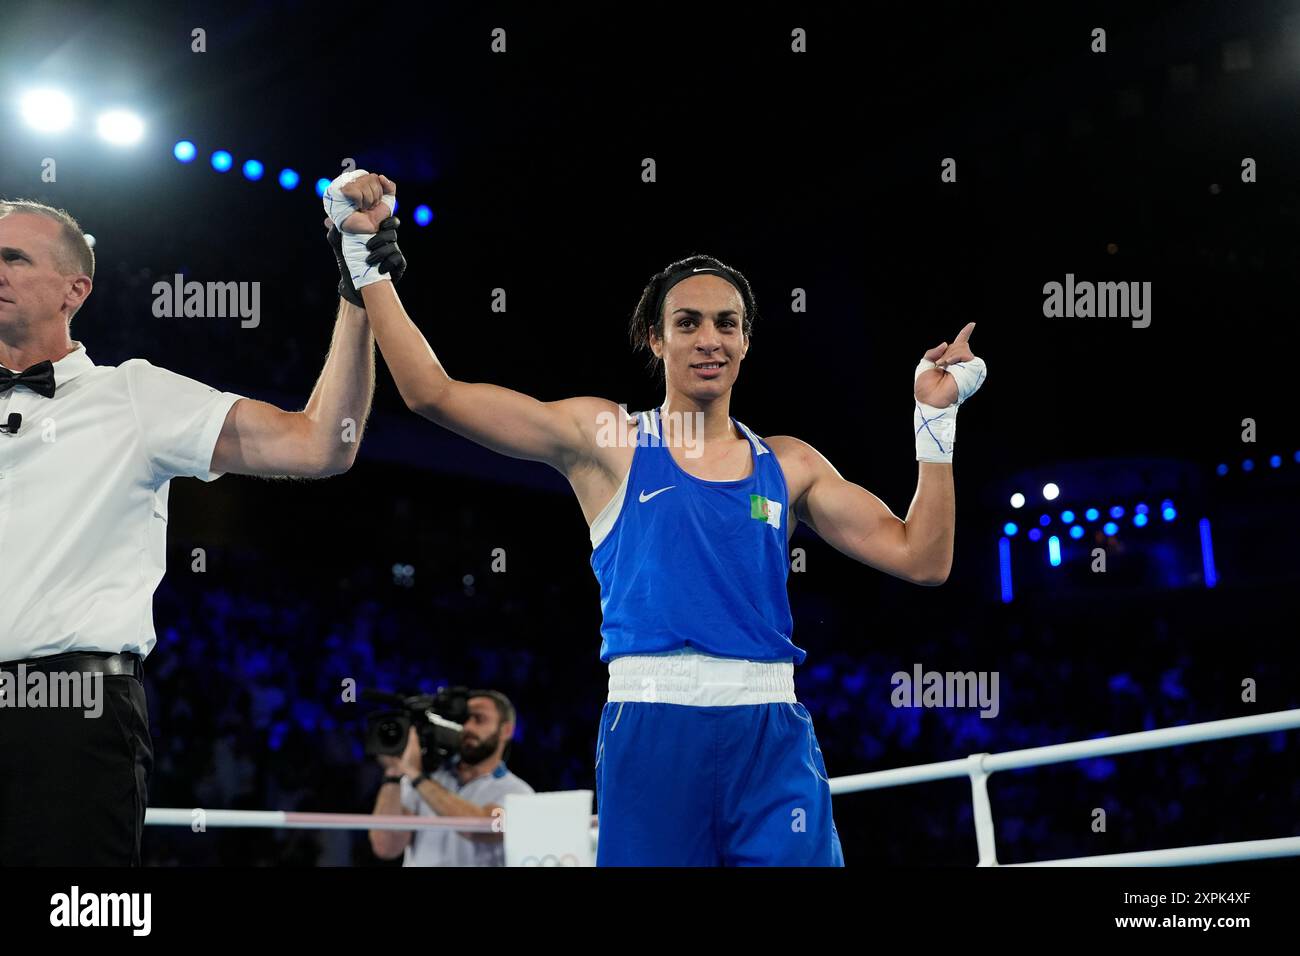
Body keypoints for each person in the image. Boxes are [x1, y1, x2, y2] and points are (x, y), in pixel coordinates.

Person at [330, 196, 986, 864]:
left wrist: (934, 421)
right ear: (656, 338)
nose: (710, 338)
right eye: (689, 322)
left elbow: (924, 558)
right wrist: (368, 268)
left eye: (727, 324)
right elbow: (431, 394)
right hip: (651, 723)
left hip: (772, 731)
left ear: (747, 340)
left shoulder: (790, 465)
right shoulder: (606, 437)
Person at [0, 178, 401, 865]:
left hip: (66, 718)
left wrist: (356, 286)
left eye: (13, 258)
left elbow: (320, 445)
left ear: (74, 291)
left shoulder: (131, 394)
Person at [369, 690, 535, 867]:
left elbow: (481, 828)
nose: (468, 727)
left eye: (479, 719)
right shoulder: (421, 778)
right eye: (464, 719)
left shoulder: (518, 793)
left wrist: (417, 777)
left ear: (506, 730)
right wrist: (394, 772)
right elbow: (386, 848)